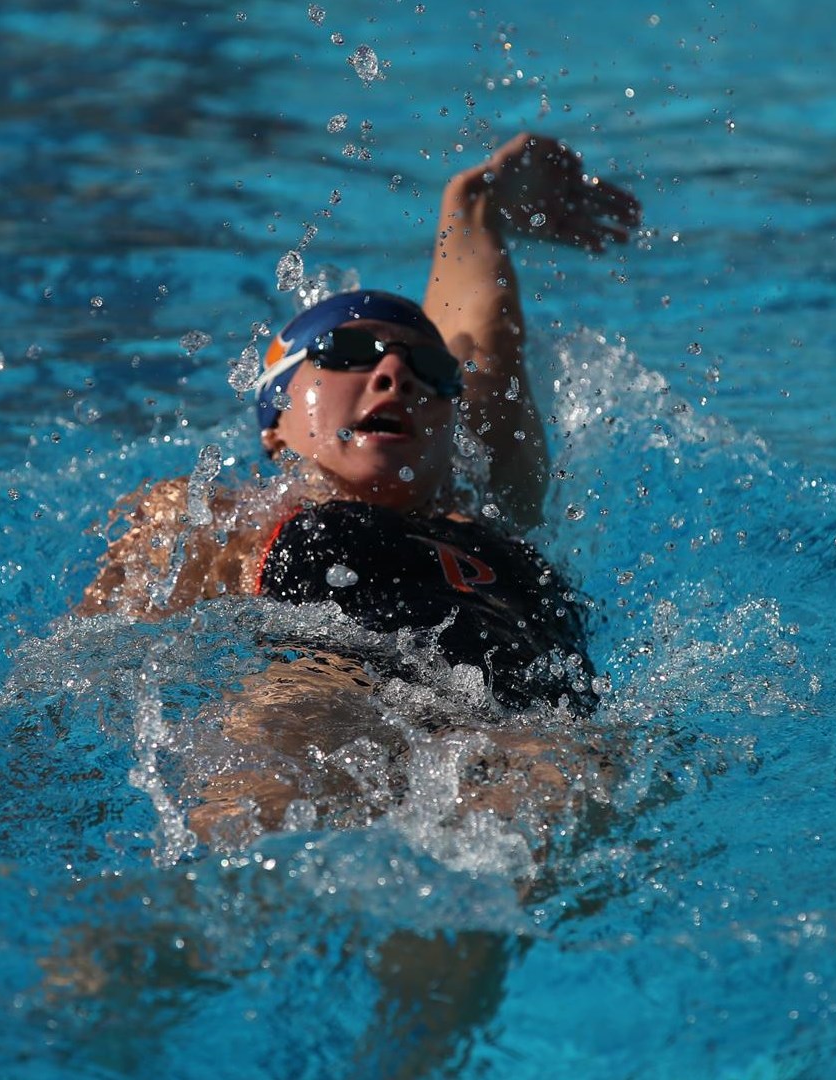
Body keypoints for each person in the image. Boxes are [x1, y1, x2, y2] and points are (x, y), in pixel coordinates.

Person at [76, 132, 642, 852]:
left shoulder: (491, 507)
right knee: (268, 826)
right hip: (325, 694)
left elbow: (483, 337)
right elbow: (91, 658)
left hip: (528, 727)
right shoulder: (223, 514)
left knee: (572, 784)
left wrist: (476, 202)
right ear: (274, 419)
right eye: (348, 355)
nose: (394, 376)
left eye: (427, 373)